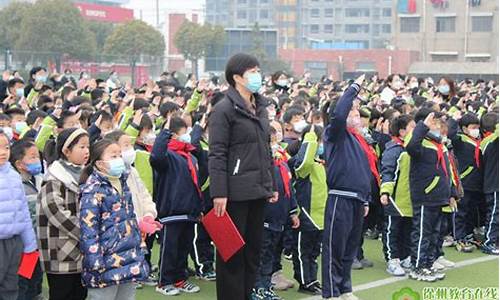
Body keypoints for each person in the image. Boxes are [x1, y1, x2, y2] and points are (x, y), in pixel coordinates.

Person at [208, 53, 277, 300]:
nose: (257, 76)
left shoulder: (260, 107)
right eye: (252, 71)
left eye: (258, 70)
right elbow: (216, 153)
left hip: (258, 189)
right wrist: (219, 192)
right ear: (237, 77)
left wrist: (272, 182)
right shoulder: (224, 109)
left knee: (252, 254)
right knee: (231, 255)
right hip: (234, 193)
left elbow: (266, 149)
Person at [79, 139, 150, 300]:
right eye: (113, 156)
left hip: (129, 256)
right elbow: (88, 231)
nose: (119, 159)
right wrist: (95, 262)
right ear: (100, 163)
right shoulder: (93, 189)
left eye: (119, 154)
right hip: (105, 260)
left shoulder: (123, 183)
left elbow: (130, 217)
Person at [321, 74, 371, 300]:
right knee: (335, 248)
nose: (356, 115)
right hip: (340, 197)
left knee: (350, 249)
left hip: (357, 199)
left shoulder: (358, 140)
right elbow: (339, 113)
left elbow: (363, 173)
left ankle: (345, 288)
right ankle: (331, 292)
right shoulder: (335, 134)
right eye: (353, 110)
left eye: (358, 112)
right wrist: (353, 88)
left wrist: (366, 199)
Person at [151, 116, 202, 296]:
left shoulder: (190, 157)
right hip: (171, 211)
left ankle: (180, 278)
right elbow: (156, 156)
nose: (188, 135)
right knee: (170, 249)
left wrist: (198, 207)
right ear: (174, 135)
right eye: (184, 132)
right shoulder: (168, 155)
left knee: (183, 248)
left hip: (189, 212)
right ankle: (164, 281)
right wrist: (165, 132)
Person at [37, 128, 89, 300]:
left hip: (80, 252)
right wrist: (88, 233)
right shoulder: (53, 179)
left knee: (79, 294)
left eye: (87, 146)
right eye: (81, 147)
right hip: (61, 253)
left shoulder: (86, 174)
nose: (87, 151)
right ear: (66, 151)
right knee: (62, 294)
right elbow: (58, 214)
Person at [406, 109, 458, 282]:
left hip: (439, 197)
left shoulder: (440, 145)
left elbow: (448, 171)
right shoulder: (420, 142)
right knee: (421, 233)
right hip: (425, 196)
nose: (438, 127)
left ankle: (428, 264)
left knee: (434, 234)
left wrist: (452, 193)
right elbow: (411, 146)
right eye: (434, 123)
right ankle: (418, 266)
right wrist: (422, 127)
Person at [104, 130, 160, 287]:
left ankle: (140, 274)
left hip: (139, 226)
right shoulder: (106, 177)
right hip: (121, 233)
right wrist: (136, 221)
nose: (130, 149)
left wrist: (149, 214)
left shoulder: (132, 171)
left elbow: (144, 195)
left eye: (130, 144)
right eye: (126, 145)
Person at [252, 124, 299, 300]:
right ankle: (256, 288)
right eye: (270, 142)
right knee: (261, 255)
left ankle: (266, 286)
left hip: (279, 218)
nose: (274, 146)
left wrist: (293, 212)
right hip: (264, 218)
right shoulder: (260, 166)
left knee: (271, 255)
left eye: (274, 141)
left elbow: (289, 190)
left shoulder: (282, 164)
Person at [0, 131, 38, 300]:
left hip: (15, 243)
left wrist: (30, 246)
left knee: (12, 287)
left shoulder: (14, 176)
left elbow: (23, 213)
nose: (3, 152)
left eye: (6, 147)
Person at [291, 124, 327, 296]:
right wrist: (311, 137)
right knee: (303, 252)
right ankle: (304, 282)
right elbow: (303, 161)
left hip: (320, 218)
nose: (321, 144)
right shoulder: (303, 166)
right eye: (319, 141)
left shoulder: (320, 164)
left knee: (313, 252)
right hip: (306, 216)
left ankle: (312, 279)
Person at [379, 115, 416, 276]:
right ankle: (392, 259)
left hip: (409, 199)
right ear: (402, 132)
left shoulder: (412, 148)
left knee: (407, 230)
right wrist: (386, 192)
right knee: (392, 230)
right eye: (412, 128)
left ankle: (405, 256)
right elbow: (387, 172)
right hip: (395, 199)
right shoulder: (394, 150)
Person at [9, 139, 44, 300]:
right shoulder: (15, 185)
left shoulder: (37, 180)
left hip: (36, 246)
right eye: (32, 157)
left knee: (35, 280)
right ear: (19, 164)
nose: (38, 160)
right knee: (22, 284)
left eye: (38, 156)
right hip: (23, 248)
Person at [448, 112, 483, 253]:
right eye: (472, 127)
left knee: (471, 211)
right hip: (464, 181)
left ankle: (468, 234)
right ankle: (458, 237)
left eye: (477, 127)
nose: (476, 130)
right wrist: (455, 120)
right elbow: (451, 134)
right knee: (461, 211)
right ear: (464, 128)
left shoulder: (479, 141)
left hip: (477, 182)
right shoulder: (460, 140)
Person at [479, 112, 499, 255]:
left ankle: (494, 239)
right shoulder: (490, 141)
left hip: (494, 182)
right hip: (494, 183)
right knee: (494, 213)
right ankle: (488, 241)